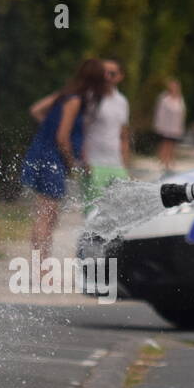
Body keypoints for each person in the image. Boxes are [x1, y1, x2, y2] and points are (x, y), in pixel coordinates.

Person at [22, 58, 106, 255]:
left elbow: (35, 110)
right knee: (47, 216)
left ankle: (40, 266)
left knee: (44, 214)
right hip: (52, 159)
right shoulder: (75, 100)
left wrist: (48, 127)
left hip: (40, 154)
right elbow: (62, 137)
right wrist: (72, 163)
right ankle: (42, 268)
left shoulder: (65, 95)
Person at [80, 58, 131, 205]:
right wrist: (85, 161)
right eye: (103, 72)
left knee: (117, 211)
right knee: (93, 212)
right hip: (93, 163)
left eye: (112, 73)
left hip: (116, 164)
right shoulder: (89, 97)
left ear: (120, 76)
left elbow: (124, 135)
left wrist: (125, 165)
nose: (107, 76)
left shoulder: (122, 101)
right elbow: (81, 130)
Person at [153, 78, 185, 175]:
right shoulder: (164, 98)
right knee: (165, 144)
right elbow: (159, 113)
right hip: (166, 126)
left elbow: (182, 113)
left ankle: (170, 163)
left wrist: (181, 126)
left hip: (175, 127)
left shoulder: (180, 99)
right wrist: (158, 125)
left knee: (172, 145)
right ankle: (163, 163)